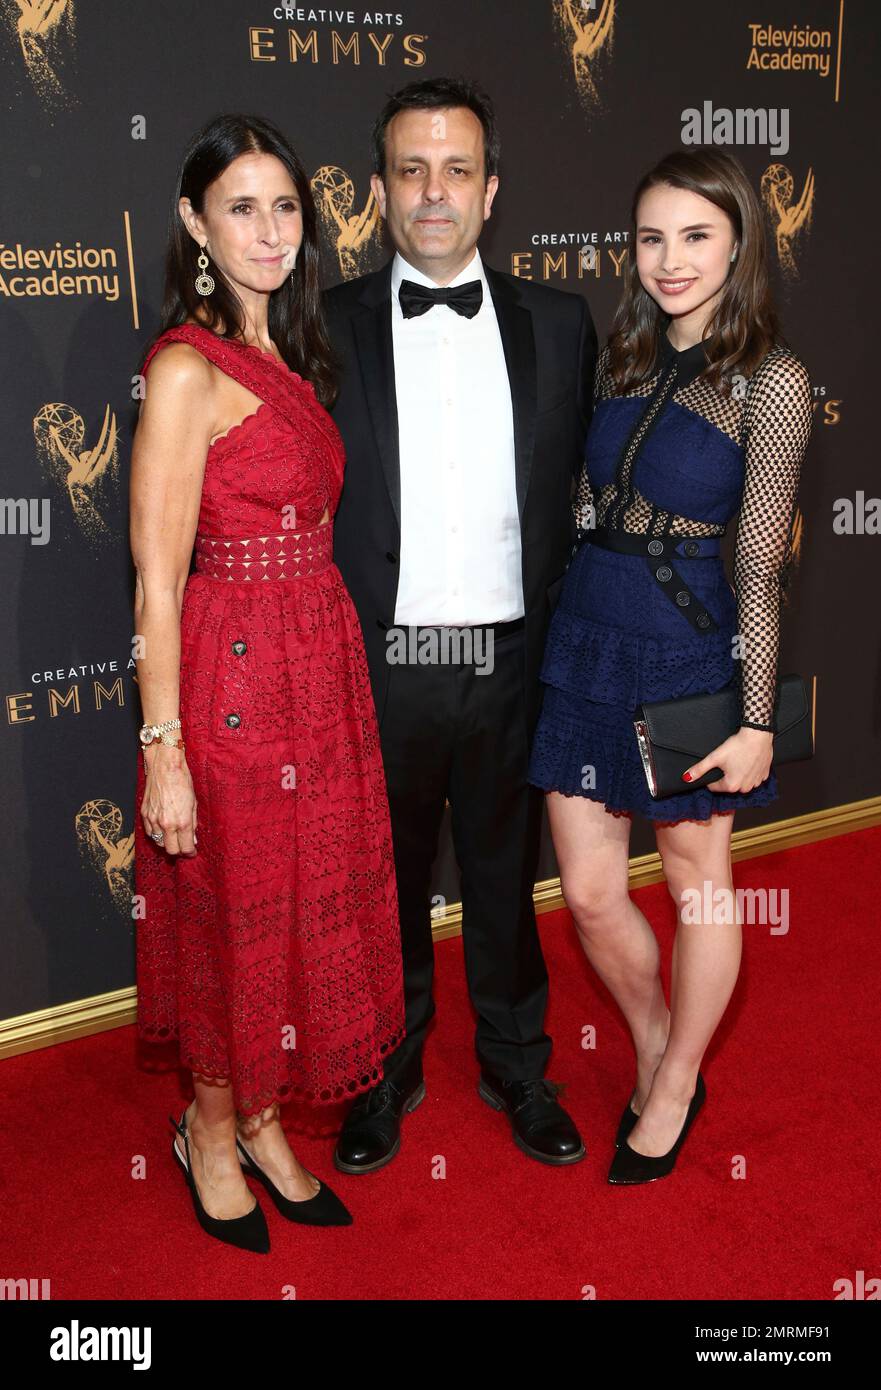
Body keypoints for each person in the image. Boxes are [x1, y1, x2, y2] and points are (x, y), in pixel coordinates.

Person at [130, 113, 405, 1251]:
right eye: (240, 207)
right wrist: (165, 754)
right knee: (228, 913)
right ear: (195, 221)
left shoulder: (293, 350)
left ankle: (263, 1116)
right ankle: (207, 1123)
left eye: (285, 205)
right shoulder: (187, 366)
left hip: (316, 666)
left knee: (296, 905)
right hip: (230, 676)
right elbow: (154, 582)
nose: (270, 229)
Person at [323, 77, 598, 1173]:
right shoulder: (324, 323)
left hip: (506, 652)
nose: (432, 193)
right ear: (379, 189)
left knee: (502, 870)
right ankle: (382, 1072)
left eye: (455, 170)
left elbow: (581, 486)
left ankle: (517, 1064)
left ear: (490, 190)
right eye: (409, 169)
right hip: (379, 659)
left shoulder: (561, 323)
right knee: (376, 882)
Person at [527, 148, 813, 1183]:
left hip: (691, 649)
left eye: (694, 235)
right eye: (651, 237)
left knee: (698, 886)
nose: (670, 259)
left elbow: (758, 562)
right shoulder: (623, 357)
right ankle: (655, 1041)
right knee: (591, 893)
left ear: (737, 241)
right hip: (587, 641)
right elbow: (581, 504)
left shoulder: (769, 382)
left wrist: (754, 718)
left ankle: (678, 1078)